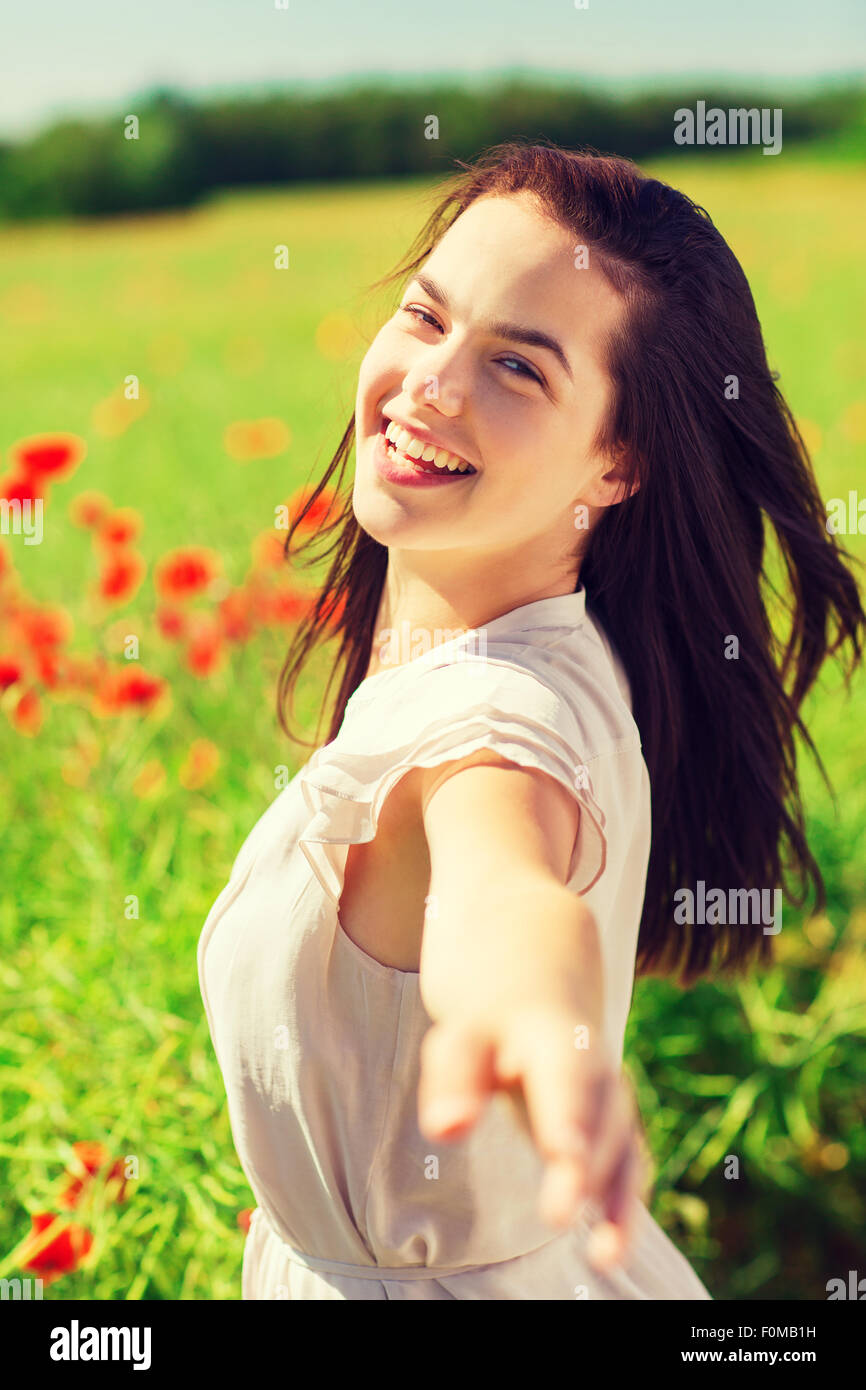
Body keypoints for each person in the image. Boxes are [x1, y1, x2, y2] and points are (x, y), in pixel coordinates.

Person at [197, 141, 864, 1300]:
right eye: (424, 315)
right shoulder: (551, 651)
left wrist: (528, 1022)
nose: (432, 384)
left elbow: (501, 890)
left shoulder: (495, 715)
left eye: (517, 366)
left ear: (616, 463)